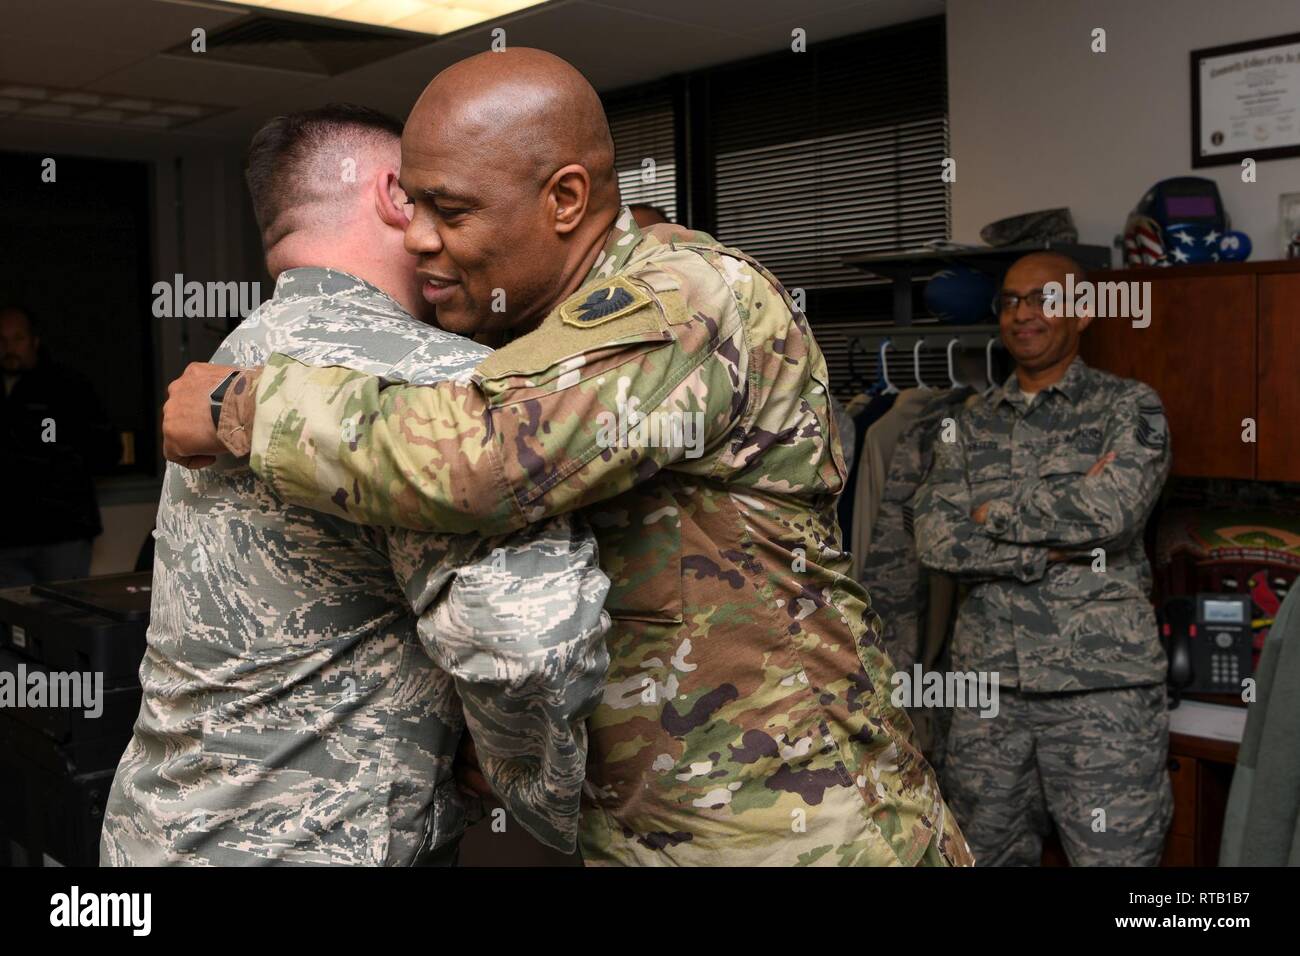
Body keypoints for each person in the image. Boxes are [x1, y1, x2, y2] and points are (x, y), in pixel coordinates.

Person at [160, 49, 971, 867]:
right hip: (650, 825)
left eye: (450, 210)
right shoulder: (533, 332)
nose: (418, 238)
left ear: (566, 199)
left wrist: (243, 406)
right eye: (412, 207)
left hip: (792, 824)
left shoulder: (686, 297)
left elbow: (483, 459)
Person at [101, 104, 611, 866]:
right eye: (433, 198)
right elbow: (528, 643)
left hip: (157, 836)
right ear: (393, 195)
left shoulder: (230, 359)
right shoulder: (434, 380)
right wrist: (530, 783)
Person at [913, 251, 1173, 866]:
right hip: (986, 696)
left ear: (1081, 313)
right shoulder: (963, 427)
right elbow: (933, 539)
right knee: (981, 857)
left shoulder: (1130, 408)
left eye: (1044, 299)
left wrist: (992, 516)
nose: (1023, 314)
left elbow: (1111, 515)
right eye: (1010, 301)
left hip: (1101, 692)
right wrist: (1051, 549)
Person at [0, 306, 118, 586]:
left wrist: (58, 454)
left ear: (34, 341)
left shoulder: (68, 386)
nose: (9, 348)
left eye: (17, 339)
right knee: (10, 623)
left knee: (64, 615)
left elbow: (107, 450)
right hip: (6, 537)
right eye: (1, 340)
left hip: (61, 533)